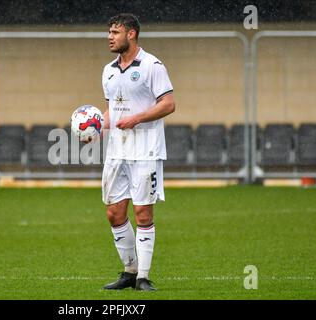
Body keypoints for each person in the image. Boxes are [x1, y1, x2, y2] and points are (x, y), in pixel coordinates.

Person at [100, 13, 176, 291]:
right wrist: (96, 127)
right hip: (116, 152)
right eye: (109, 32)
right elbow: (112, 110)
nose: (110, 36)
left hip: (146, 150)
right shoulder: (108, 69)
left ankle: (143, 276)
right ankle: (129, 271)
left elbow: (168, 104)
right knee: (114, 213)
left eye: (115, 32)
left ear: (131, 34)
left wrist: (137, 119)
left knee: (143, 213)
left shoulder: (152, 65)